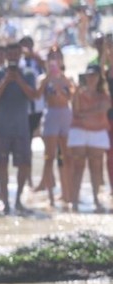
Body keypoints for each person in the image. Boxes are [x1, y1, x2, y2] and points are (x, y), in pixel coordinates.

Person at [0, 42, 39, 214]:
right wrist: (6, 80)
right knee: (2, 165)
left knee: (24, 165)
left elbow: (33, 96)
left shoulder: (28, 74)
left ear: (20, 55)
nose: (12, 57)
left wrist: (18, 79)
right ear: (5, 55)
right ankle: (5, 201)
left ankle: (18, 199)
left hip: (21, 128)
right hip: (1, 127)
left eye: (15, 54)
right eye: (9, 54)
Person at [68, 64, 110, 212]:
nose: (91, 78)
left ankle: (96, 200)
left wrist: (85, 114)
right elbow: (75, 110)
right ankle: (74, 201)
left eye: (94, 75)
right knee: (78, 166)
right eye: (89, 75)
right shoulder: (78, 93)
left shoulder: (104, 94)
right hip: (79, 131)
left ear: (99, 78)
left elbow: (102, 108)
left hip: (97, 132)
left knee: (96, 168)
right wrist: (77, 91)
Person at [36, 48, 74, 207]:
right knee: (49, 156)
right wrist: (48, 79)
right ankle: (50, 195)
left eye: (57, 57)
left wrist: (62, 87)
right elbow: (37, 95)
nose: (55, 60)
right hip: (51, 115)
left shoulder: (67, 79)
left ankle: (68, 193)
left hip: (65, 115)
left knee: (66, 156)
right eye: (52, 57)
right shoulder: (43, 79)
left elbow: (71, 97)